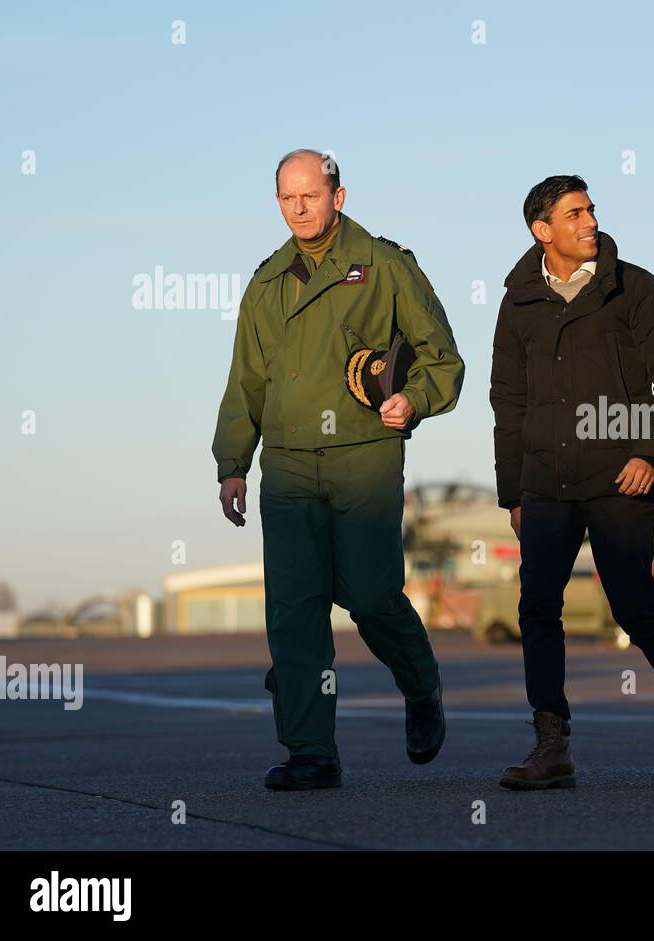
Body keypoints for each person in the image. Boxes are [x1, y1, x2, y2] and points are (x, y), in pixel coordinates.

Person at [212, 149, 465, 790]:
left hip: (364, 455)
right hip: (290, 463)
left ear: (339, 197)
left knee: (373, 596)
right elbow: (247, 380)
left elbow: (444, 359)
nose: (299, 208)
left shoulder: (385, 266)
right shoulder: (267, 282)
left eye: (311, 196)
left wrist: (415, 400)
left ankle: (421, 685)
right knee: (293, 611)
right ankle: (312, 753)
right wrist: (233, 462)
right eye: (287, 199)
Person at [489, 174, 654, 789]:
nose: (589, 222)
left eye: (590, 210)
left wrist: (650, 453)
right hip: (544, 481)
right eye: (574, 214)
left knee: (633, 604)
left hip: (621, 476)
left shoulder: (634, 289)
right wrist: (512, 489)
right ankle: (551, 744)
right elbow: (507, 400)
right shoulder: (518, 301)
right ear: (543, 230)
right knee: (537, 607)